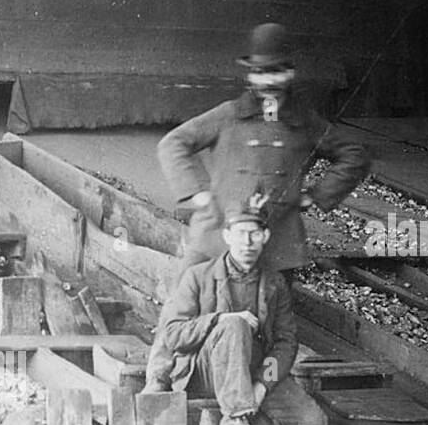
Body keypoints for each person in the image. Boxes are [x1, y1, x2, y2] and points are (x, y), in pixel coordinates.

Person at [158, 22, 371, 272]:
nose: (268, 81)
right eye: (260, 73)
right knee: (188, 297)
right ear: (250, 76)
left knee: (272, 306)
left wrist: (316, 195)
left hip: (278, 240)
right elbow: (173, 143)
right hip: (216, 232)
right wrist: (198, 191)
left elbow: (355, 154)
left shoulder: (305, 122)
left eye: (276, 72)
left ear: (290, 73)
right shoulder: (229, 115)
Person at [144, 203, 328, 425]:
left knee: (311, 422)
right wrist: (219, 319)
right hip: (205, 370)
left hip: (254, 369)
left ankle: (253, 413)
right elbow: (173, 334)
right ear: (227, 236)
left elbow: (285, 344)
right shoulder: (198, 276)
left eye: (254, 234)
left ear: (265, 237)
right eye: (240, 234)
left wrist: (263, 384)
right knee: (234, 325)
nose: (247, 242)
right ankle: (236, 418)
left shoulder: (275, 283)